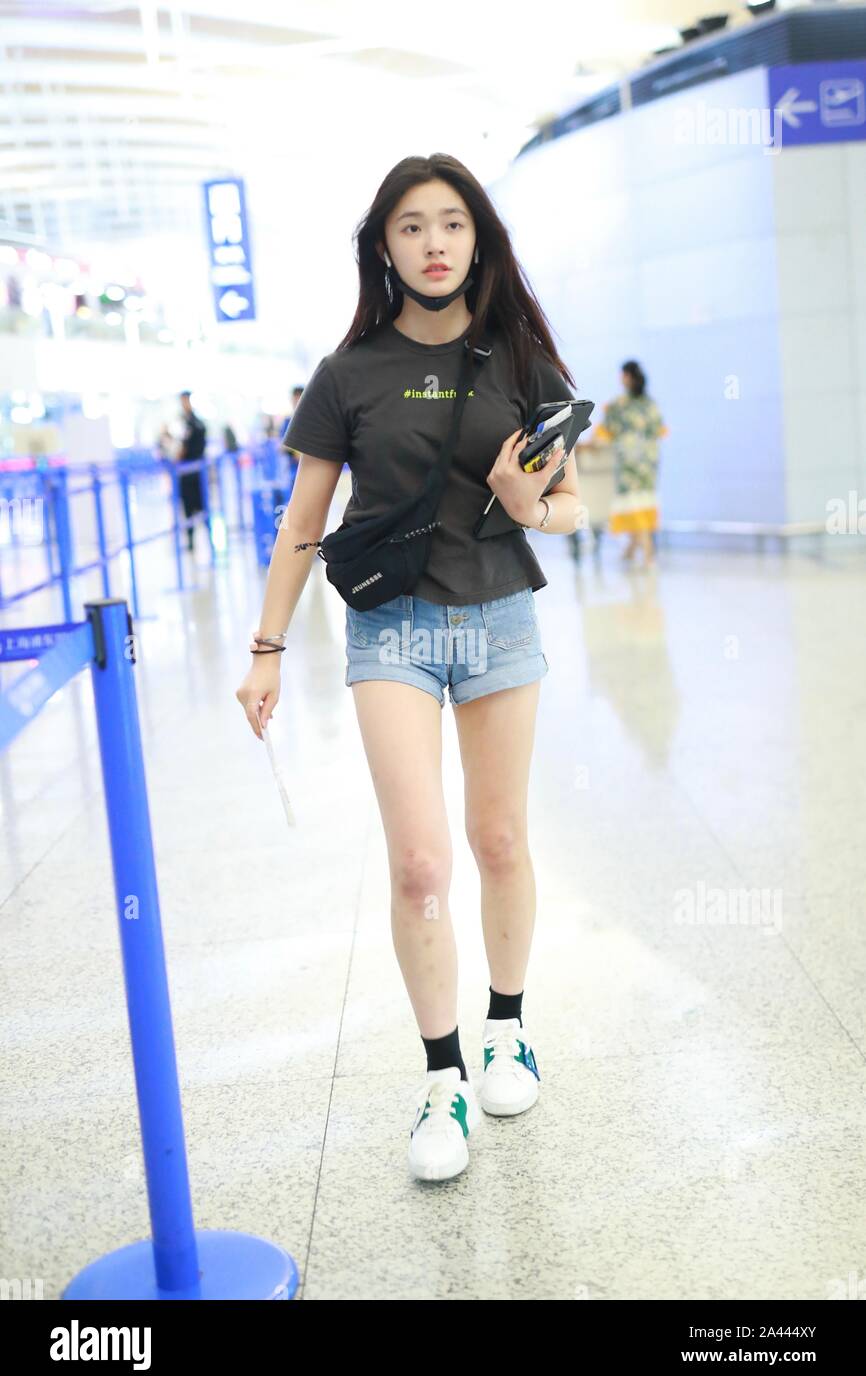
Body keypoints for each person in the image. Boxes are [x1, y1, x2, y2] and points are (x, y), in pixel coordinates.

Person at [235, 153, 582, 1183]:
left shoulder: (520, 359)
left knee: (500, 837)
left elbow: (569, 504)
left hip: (498, 619)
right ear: (381, 248)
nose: (433, 244)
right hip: (388, 625)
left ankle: (506, 1026)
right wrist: (265, 649)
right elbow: (303, 522)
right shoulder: (347, 373)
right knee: (419, 863)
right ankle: (441, 1077)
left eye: (451, 225)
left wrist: (528, 507)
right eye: (410, 228)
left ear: (477, 239)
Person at [594, 360, 667, 567]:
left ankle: (647, 553)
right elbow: (659, 431)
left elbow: (604, 432)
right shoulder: (650, 404)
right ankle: (633, 550)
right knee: (643, 504)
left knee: (633, 506)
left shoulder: (618, 404)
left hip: (628, 465)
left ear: (626, 376)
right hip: (648, 464)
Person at [176, 390, 207, 552]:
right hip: (193, 473)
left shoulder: (191, 424)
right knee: (192, 509)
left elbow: (182, 449)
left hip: (191, 473)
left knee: (197, 508)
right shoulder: (190, 422)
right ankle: (191, 541)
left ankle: (197, 540)